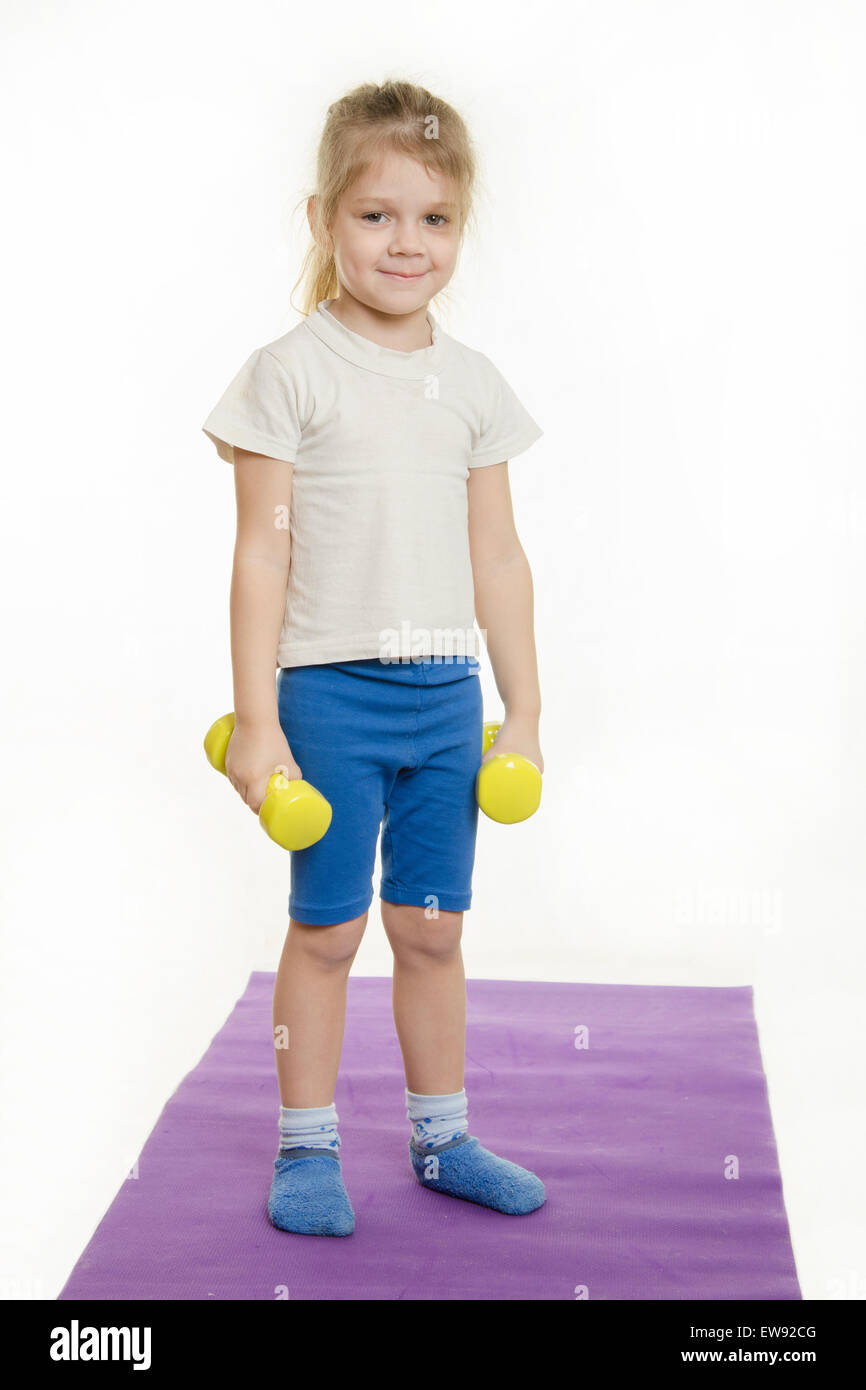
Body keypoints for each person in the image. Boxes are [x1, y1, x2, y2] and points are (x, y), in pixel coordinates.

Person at [201, 79, 546, 1236]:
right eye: (376, 215)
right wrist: (258, 722)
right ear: (320, 221)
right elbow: (259, 556)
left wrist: (524, 714)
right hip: (330, 697)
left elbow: (497, 557)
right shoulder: (288, 371)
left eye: (433, 218)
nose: (407, 242)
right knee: (327, 928)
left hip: (446, 699)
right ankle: (307, 1148)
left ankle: (442, 1137)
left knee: (434, 928)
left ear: (461, 229)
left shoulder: (474, 385)